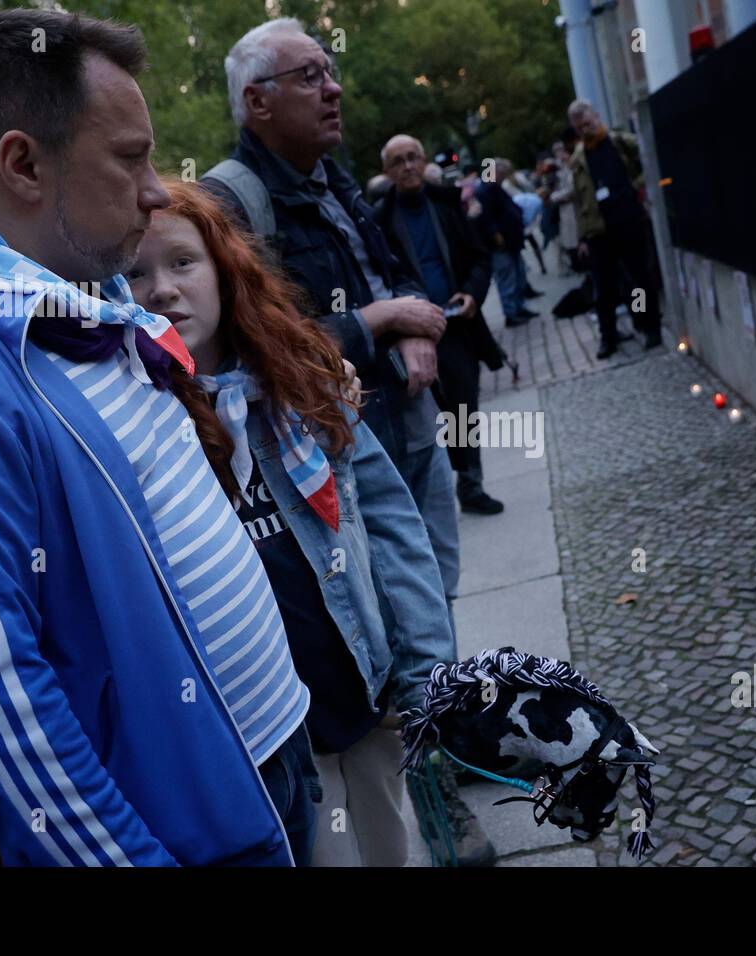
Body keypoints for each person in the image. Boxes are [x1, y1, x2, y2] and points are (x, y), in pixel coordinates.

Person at [0, 8, 318, 866]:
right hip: (185, 832)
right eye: (130, 157)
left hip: (274, 756)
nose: (155, 189)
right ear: (23, 163)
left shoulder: (84, 283)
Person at [200, 18, 494, 866]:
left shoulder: (330, 181)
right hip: (333, 464)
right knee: (378, 636)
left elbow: (393, 274)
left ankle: (442, 773)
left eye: (330, 72)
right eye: (308, 76)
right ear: (255, 102)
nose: (333, 89)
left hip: (403, 437)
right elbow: (256, 342)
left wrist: (414, 329)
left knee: (428, 610)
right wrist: (374, 324)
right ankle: (437, 814)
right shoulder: (232, 205)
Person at [127, 178, 454, 867]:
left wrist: (427, 670)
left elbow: (391, 523)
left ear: (224, 266)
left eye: (182, 262)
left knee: (393, 849)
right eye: (134, 271)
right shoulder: (138, 422)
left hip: (363, 690)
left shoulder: (304, 379)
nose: (161, 289)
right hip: (269, 736)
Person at [376, 133, 506, 516]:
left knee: (464, 402)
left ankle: (471, 482)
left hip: (458, 324)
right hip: (409, 332)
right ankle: (441, 484)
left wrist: (471, 294)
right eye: (398, 161)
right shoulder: (379, 219)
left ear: (423, 160)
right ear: (387, 171)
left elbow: (482, 258)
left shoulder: (448, 205)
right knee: (431, 410)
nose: (408, 166)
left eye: (413, 157)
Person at [567, 99, 662, 358]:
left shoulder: (619, 143)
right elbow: (580, 202)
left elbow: (649, 159)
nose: (585, 130)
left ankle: (647, 325)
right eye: (579, 128)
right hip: (598, 231)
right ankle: (608, 336)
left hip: (627, 221)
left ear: (597, 117)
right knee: (604, 287)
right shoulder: (579, 160)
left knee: (638, 278)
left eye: (588, 124)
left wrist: (635, 188)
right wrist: (583, 237)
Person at [475, 158, 534, 326]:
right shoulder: (485, 190)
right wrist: (496, 235)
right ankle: (511, 312)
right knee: (507, 278)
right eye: (501, 173)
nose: (503, 176)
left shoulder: (493, 188)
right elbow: (486, 218)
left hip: (510, 241)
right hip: (500, 244)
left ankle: (518, 308)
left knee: (517, 275)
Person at [549, 131, 580, 274]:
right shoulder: (556, 167)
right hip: (565, 208)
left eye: (560, 150)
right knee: (569, 239)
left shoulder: (570, 164)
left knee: (576, 237)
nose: (559, 154)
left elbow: (572, 188)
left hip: (574, 207)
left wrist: (555, 196)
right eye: (556, 151)